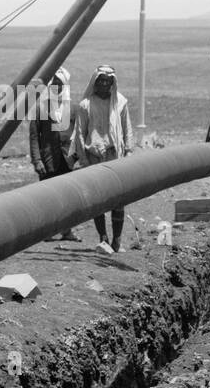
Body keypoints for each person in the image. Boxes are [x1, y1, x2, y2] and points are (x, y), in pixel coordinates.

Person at [71, 64, 134, 254]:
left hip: (115, 156)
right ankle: (103, 239)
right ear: (95, 83)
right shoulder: (85, 105)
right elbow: (80, 134)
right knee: (98, 201)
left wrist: (129, 152)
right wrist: (83, 159)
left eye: (108, 81)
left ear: (112, 83)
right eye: (101, 81)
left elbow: (127, 129)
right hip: (94, 157)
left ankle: (117, 241)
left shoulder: (120, 103)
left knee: (118, 199)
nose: (104, 84)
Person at [28, 67, 78, 241]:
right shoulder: (40, 107)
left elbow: (77, 134)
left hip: (67, 160)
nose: (56, 85)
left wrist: (77, 157)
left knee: (67, 196)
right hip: (48, 160)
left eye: (60, 83)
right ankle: (47, 232)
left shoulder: (72, 108)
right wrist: (37, 161)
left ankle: (67, 231)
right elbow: (34, 137)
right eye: (54, 82)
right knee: (47, 197)